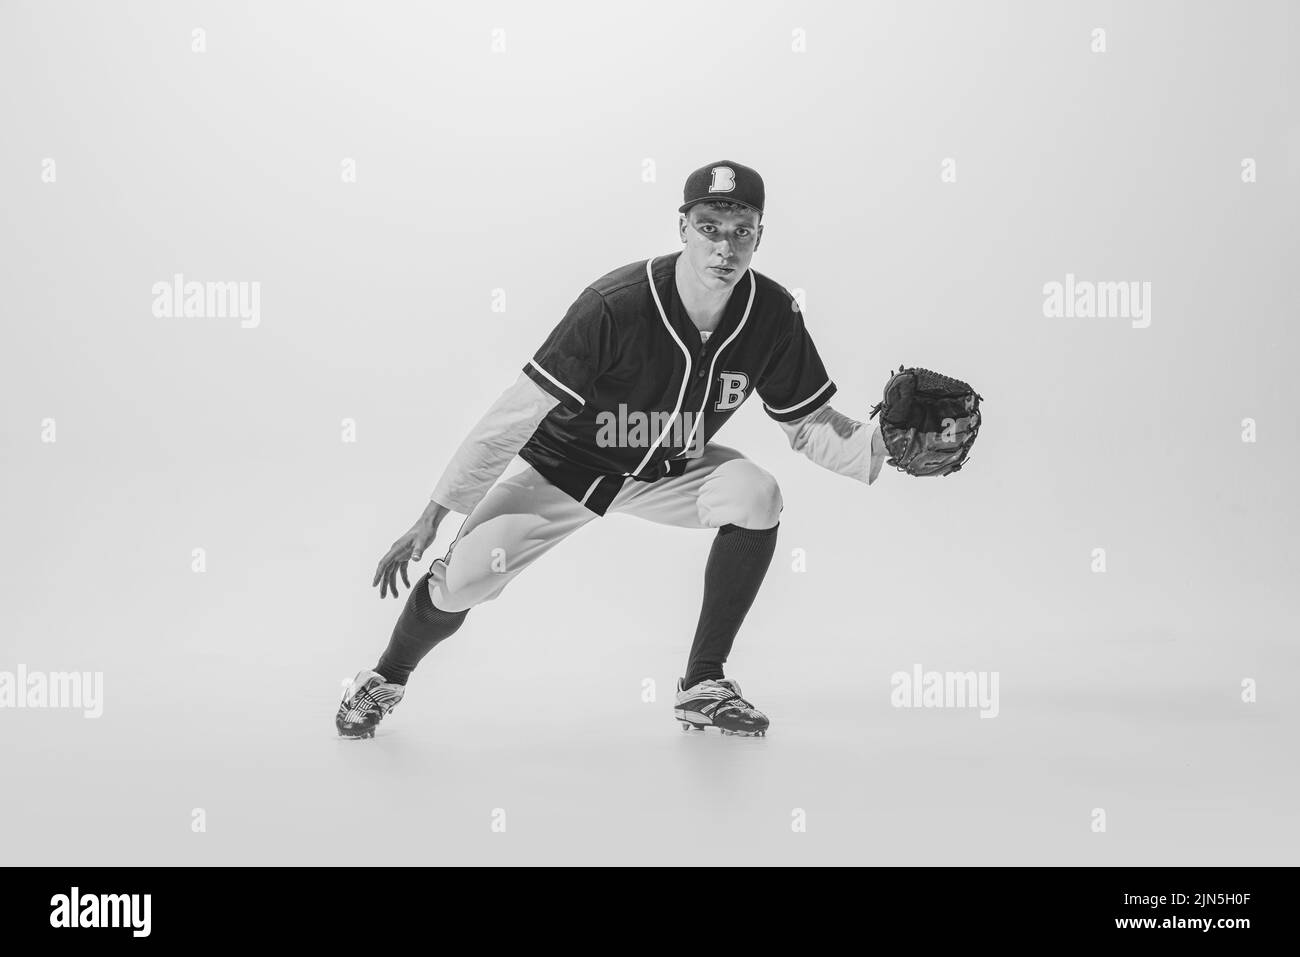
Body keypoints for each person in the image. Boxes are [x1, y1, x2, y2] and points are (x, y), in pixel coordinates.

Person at [337, 160, 887, 739]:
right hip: (567, 469)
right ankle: (383, 679)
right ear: (682, 226)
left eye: (741, 230)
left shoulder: (772, 313)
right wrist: (435, 514)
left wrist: (883, 448)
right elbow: (512, 417)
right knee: (466, 581)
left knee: (757, 495)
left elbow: (809, 423)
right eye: (709, 226)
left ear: (759, 234)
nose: (725, 246)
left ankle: (703, 684)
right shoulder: (616, 304)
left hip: (672, 468)